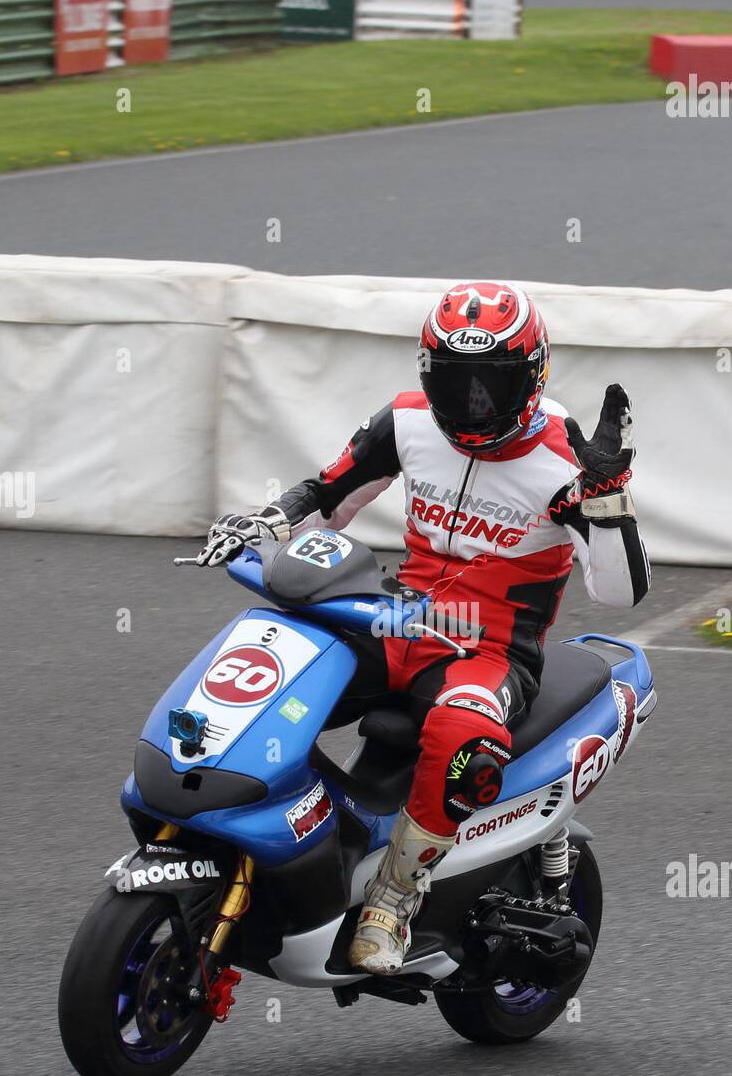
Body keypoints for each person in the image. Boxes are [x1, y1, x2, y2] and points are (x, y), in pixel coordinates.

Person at [198, 281, 650, 975]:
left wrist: (608, 498)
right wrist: (262, 524)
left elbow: (619, 594)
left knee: (462, 735)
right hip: (395, 617)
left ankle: (392, 900)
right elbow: (327, 495)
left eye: (488, 384)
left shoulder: (568, 457)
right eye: (453, 380)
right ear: (425, 373)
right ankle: (238, 812)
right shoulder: (406, 421)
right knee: (282, 649)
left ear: (532, 379)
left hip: (492, 647)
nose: (469, 403)